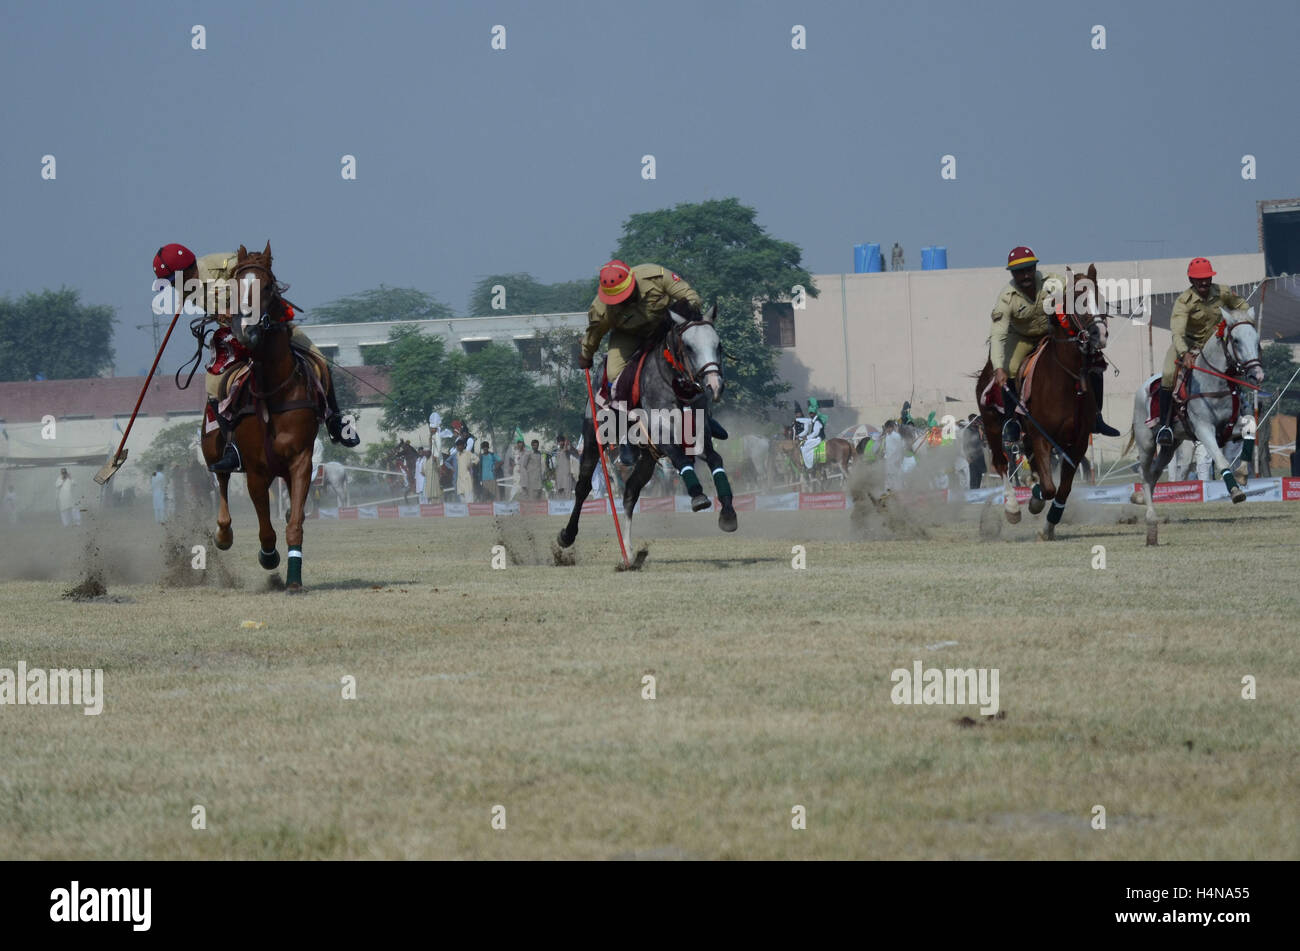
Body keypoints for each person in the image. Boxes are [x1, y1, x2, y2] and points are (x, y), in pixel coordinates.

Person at [152, 242, 359, 475]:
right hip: (234, 332)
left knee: (319, 360)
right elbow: (217, 307)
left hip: (269, 323)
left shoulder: (224, 262)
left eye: (172, 281)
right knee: (213, 385)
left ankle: (336, 421)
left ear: (185, 270)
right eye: (170, 284)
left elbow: (257, 274)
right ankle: (233, 447)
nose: (173, 287)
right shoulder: (186, 289)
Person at [577, 260, 727, 464]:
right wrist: (586, 355)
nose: (625, 300)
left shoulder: (654, 275)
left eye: (627, 294)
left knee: (691, 364)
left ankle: (705, 417)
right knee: (614, 376)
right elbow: (594, 334)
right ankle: (627, 434)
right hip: (628, 336)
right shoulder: (601, 307)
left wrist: (689, 315)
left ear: (632, 282)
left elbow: (689, 295)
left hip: (664, 325)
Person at [988, 245, 1120, 446]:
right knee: (1012, 368)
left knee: (1092, 361)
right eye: (1019, 271)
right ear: (1012, 273)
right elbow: (998, 335)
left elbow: (1075, 295)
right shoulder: (1006, 298)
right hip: (1021, 338)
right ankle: (1011, 422)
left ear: (1035, 268)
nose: (1025, 275)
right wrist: (998, 367)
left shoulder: (1053, 282)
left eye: (1029, 269)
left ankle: (1096, 417)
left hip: (1051, 334)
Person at [1155, 257, 1250, 447]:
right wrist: (1185, 354)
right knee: (1167, 374)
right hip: (1187, 347)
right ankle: (1165, 427)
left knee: (1240, 365)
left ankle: (1243, 411)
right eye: (1199, 279)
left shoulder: (1223, 292)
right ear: (1191, 281)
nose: (1204, 282)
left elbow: (1243, 307)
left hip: (1216, 346)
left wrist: (1237, 322)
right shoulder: (1184, 302)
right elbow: (1178, 334)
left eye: (1207, 278)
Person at [793, 401, 825, 470]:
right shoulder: (813, 420)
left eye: (811, 413)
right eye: (809, 413)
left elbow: (815, 433)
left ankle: (809, 466)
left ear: (814, 413)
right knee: (803, 445)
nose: (810, 414)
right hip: (814, 438)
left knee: (804, 448)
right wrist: (796, 420)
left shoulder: (817, 421)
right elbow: (806, 421)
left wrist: (806, 437)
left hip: (818, 439)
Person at [962, 414, 987, 489]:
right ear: (970, 421)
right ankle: (973, 492)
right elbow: (965, 445)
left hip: (980, 456)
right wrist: (968, 456)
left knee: (979, 476)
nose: (976, 422)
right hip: (972, 456)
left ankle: (977, 490)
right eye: (974, 420)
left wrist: (982, 434)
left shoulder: (980, 429)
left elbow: (983, 442)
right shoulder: (967, 430)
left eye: (976, 420)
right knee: (973, 477)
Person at [882, 421, 904, 492]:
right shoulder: (887, 436)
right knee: (888, 475)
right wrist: (885, 456)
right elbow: (887, 447)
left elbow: (900, 448)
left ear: (891, 428)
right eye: (885, 429)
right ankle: (888, 490)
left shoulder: (896, 436)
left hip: (896, 460)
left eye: (887, 428)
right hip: (888, 460)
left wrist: (898, 459)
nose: (886, 430)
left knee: (896, 475)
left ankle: (898, 491)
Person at [455, 439, 479, 503]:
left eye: (460, 446)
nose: (458, 447)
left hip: (467, 477)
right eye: (457, 446)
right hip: (460, 478)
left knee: (468, 495)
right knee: (461, 495)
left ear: (463, 446)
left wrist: (472, 464)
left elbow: (477, 459)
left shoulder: (468, 453)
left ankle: (471, 511)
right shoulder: (457, 454)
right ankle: (464, 511)